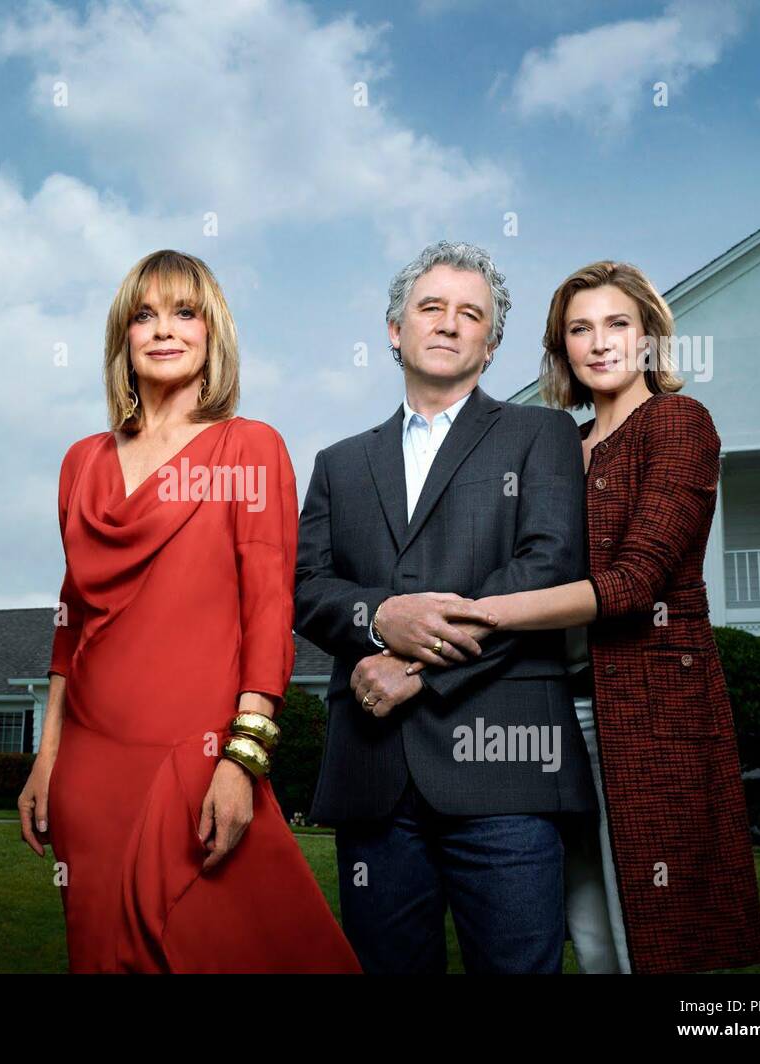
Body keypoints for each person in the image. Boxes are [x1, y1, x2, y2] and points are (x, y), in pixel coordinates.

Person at [411, 261, 760, 974]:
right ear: (560, 347)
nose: (599, 342)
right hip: (545, 708)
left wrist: (476, 614)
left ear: (648, 337)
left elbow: (634, 583)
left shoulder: (677, 423)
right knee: (588, 929)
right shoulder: (552, 443)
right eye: (580, 328)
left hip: (649, 707)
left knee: (658, 931)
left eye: (617, 324)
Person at [18, 249, 361, 973]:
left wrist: (242, 759)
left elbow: (270, 611)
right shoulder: (81, 461)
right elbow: (70, 623)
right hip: (88, 768)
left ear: (213, 333)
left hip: (200, 760)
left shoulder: (252, 446)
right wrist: (47, 758)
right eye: (144, 315)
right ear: (124, 337)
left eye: (184, 312)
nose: (163, 330)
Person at [294, 240, 596, 975]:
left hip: (508, 770)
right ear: (395, 329)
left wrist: (413, 661)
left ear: (490, 346)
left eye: (472, 315)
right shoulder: (339, 462)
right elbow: (307, 588)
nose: (449, 324)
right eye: (432, 307)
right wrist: (377, 620)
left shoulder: (543, 434)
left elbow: (546, 566)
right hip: (375, 777)